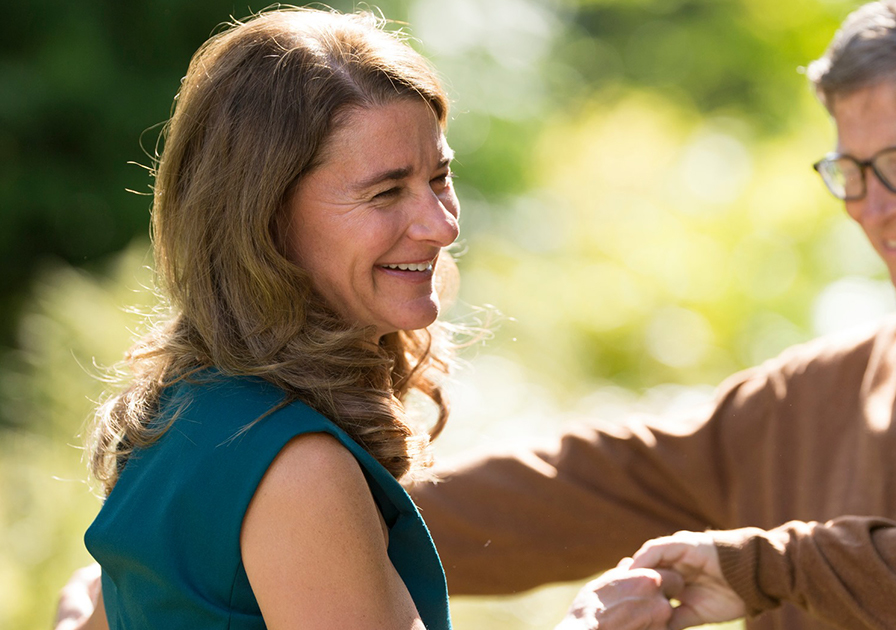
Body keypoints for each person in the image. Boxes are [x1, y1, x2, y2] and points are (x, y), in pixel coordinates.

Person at [402, 1, 896, 628]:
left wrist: (776, 566)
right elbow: (591, 484)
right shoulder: (816, 391)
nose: (873, 208)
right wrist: (334, 512)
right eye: (850, 171)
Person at [65, 7, 677, 630]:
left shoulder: (180, 410)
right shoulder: (298, 466)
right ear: (263, 219)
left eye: (439, 177)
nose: (442, 224)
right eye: (386, 193)